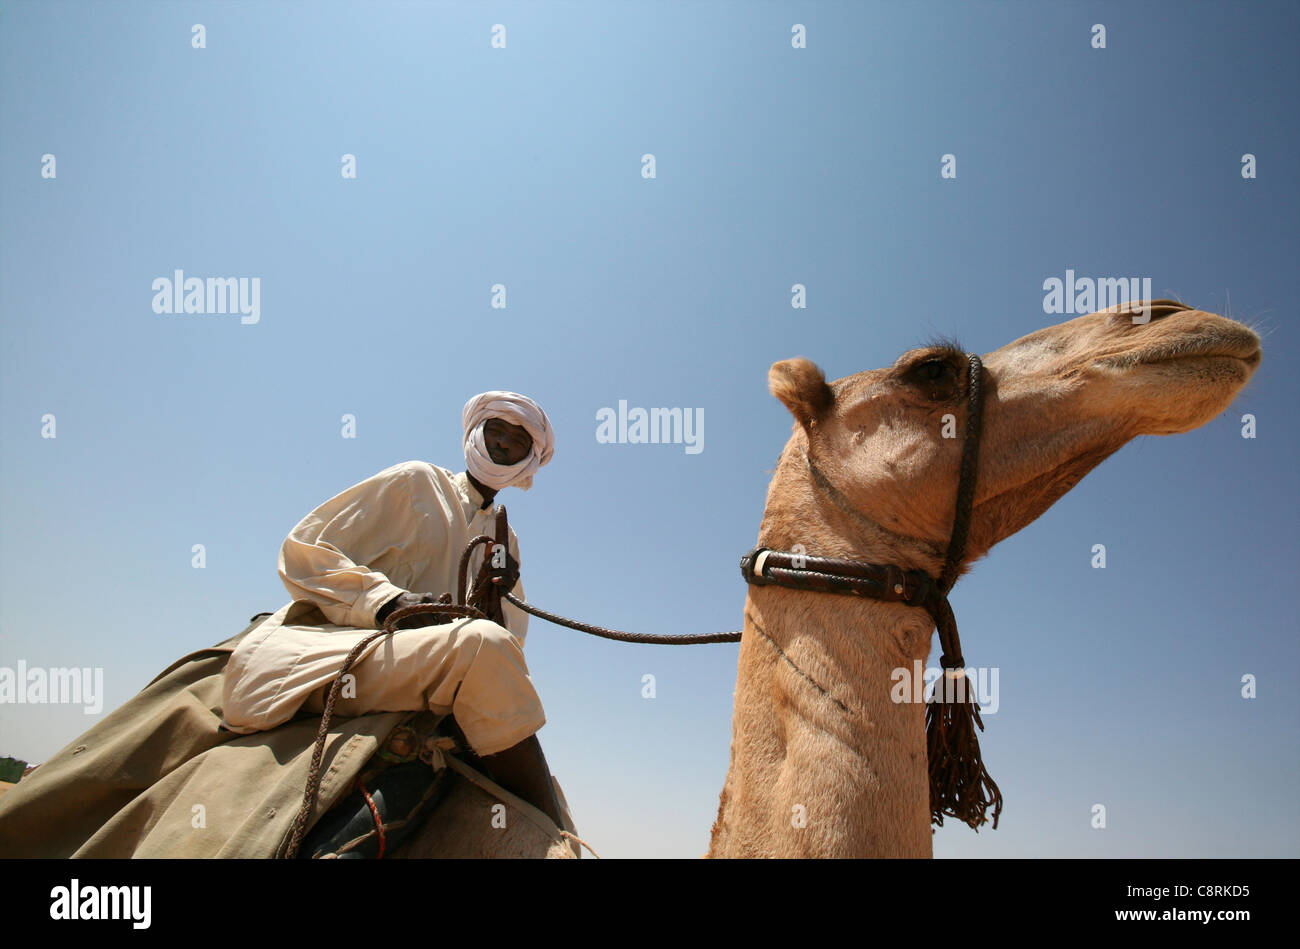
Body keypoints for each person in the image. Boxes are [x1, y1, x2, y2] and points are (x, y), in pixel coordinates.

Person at [220, 391, 565, 855]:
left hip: (429, 676)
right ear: (474, 431)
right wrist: (389, 602)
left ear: (530, 461)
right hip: (344, 650)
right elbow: (305, 550)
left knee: (549, 791)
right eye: (496, 429)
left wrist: (492, 599)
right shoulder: (416, 482)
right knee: (482, 647)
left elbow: (510, 646)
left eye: (518, 440)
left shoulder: (505, 542)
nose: (503, 443)